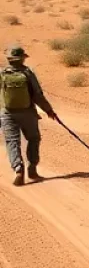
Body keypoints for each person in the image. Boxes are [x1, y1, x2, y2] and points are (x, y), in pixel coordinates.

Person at [2, 44, 58, 186]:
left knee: (12, 142)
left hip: (7, 113)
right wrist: (48, 110)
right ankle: (32, 168)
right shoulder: (27, 73)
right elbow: (37, 95)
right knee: (33, 139)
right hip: (27, 112)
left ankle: (18, 169)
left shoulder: (2, 73)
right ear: (22, 59)